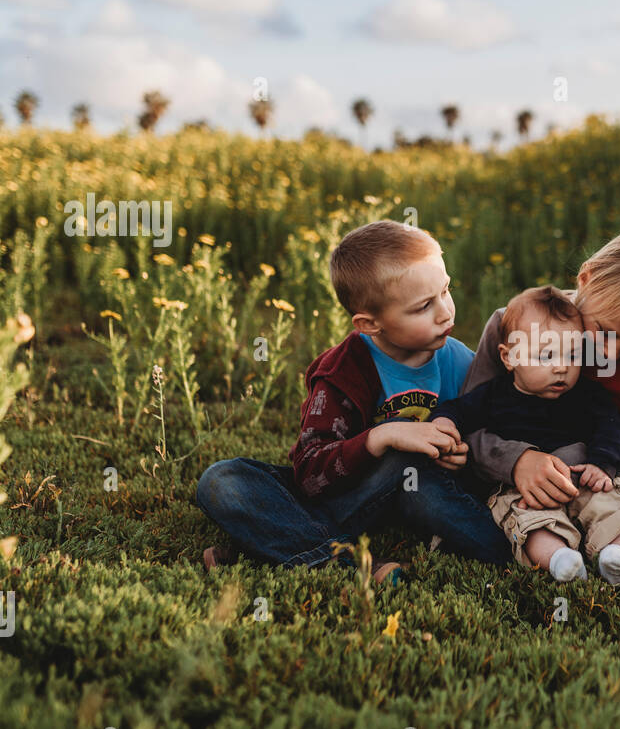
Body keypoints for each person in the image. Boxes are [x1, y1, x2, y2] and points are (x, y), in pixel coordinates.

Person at [195, 219, 512, 580]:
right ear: (369, 324)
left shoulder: (459, 360)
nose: (445, 311)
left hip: (418, 494)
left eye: (445, 291)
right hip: (349, 498)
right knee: (221, 481)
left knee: (420, 478)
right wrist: (382, 436)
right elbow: (311, 476)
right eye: (424, 306)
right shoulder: (342, 372)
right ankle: (355, 564)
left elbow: (488, 427)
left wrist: (461, 451)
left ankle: (273, 545)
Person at [461, 224, 620, 578]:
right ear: (585, 281)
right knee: (429, 495)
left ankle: (566, 550)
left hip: (599, 494)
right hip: (520, 493)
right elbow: (470, 426)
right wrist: (519, 463)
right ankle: (596, 550)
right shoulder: (515, 326)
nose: (611, 352)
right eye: (603, 331)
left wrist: (588, 471)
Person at [433, 286, 620, 584]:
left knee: (616, 504)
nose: (561, 367)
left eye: (573, 355)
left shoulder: (588, 394)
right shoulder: (495, 394)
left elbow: (611, 429)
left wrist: (601, 465)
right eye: (546, 356)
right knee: (531, 521)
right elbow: (460, 411)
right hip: (528, 492)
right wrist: (444, 422)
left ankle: (616, 555)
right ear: (508, 358)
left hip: (586, 481)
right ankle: (561, 560)